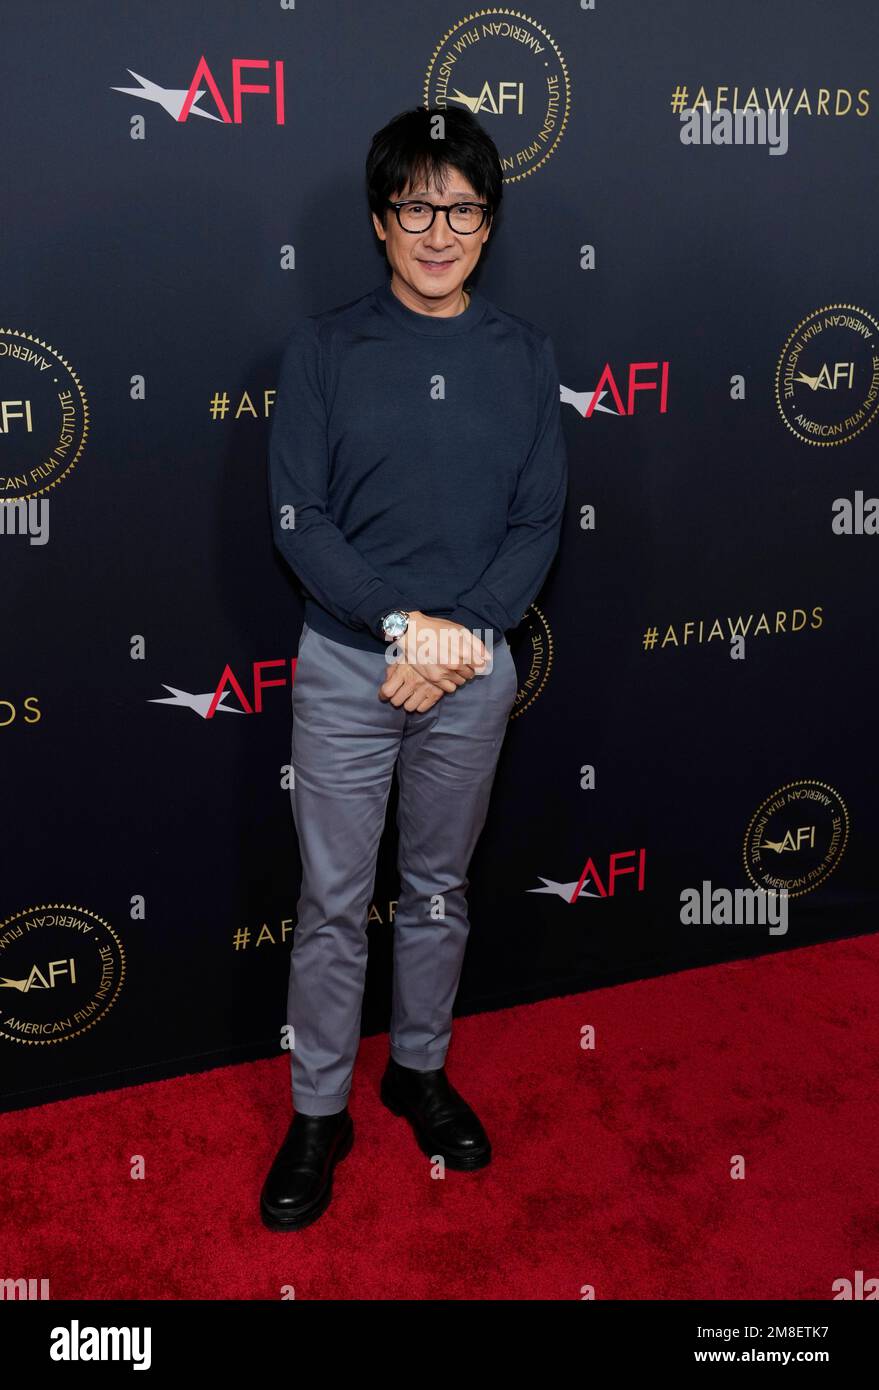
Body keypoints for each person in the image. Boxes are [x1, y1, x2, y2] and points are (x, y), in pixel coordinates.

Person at [261, 105, 568, 1231]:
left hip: (473, 671)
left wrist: (462, 638)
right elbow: (299, 519)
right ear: (382, 220)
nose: (440, 230)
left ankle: (419, 1072)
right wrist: (407, 630)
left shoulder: (525, 355)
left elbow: (538, 519)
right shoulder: (324, 350)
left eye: (463, 208)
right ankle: (319, 1108)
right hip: (351, 667)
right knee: (335, 901)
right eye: (417, 206)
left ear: (488, 225)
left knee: (439, 888)